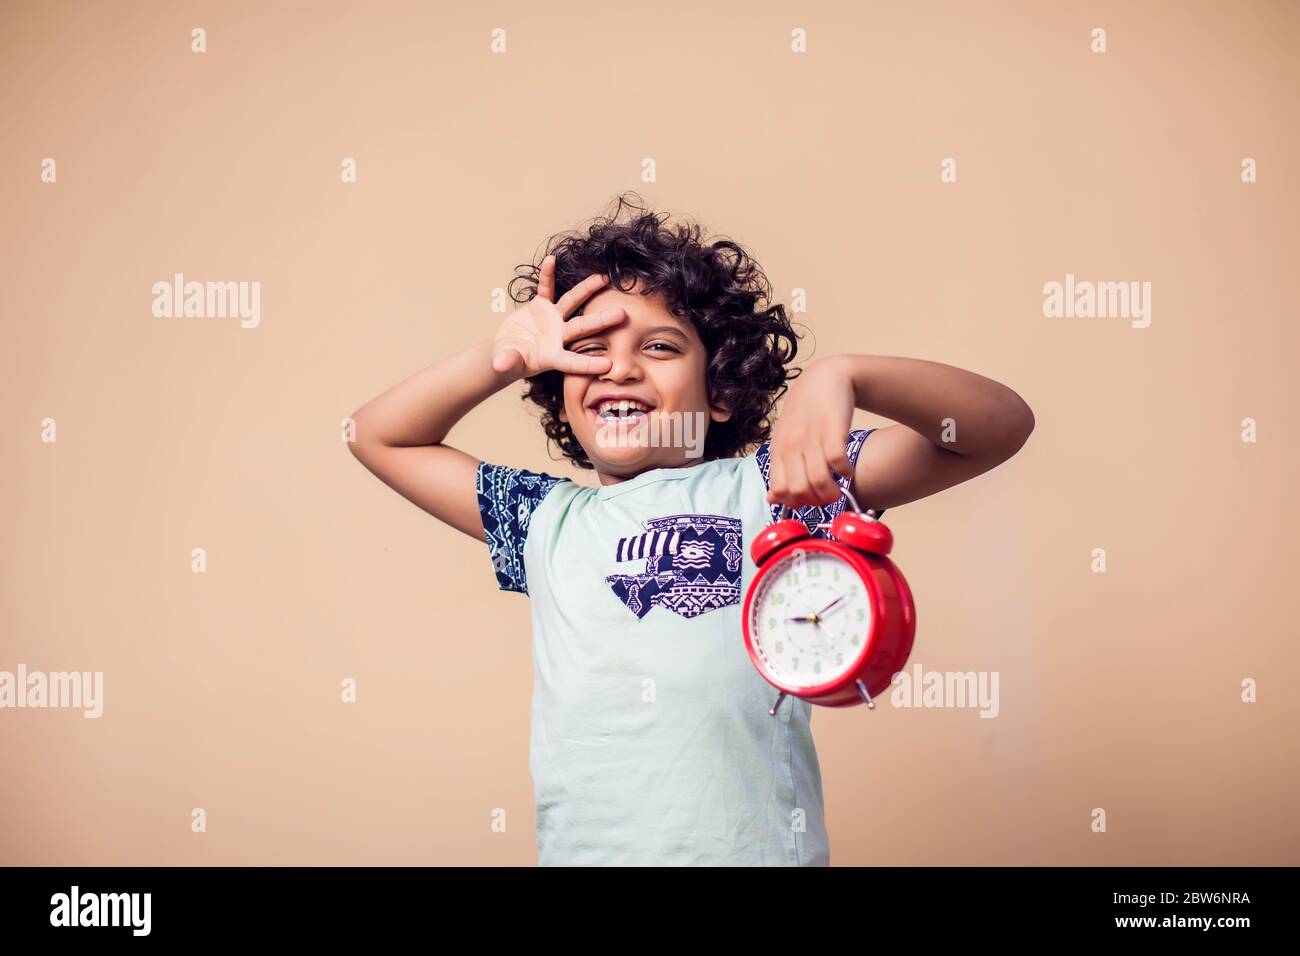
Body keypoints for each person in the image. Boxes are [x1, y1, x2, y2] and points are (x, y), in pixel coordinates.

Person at [347, 193, 1034, 865]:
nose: (618, 367)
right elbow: (377, 437)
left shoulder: (780, 486)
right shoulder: (545, 521)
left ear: (724, 388)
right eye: (587, 348)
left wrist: (845, 376)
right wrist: (502, 358)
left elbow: (995, 429)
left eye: (661, 346)